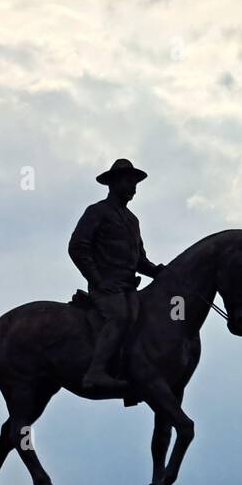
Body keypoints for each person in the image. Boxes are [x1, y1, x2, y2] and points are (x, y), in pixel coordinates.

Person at [68, 159, 165, 394]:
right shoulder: (97, 212)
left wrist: (157, 271)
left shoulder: (132, 220)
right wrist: (99, 281)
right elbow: (77, 247)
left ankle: (134, 374)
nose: (132, 187)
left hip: (128, 287)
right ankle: (96, 372)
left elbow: (139, 259)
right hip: (106, 288)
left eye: (134, 182)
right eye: (127, 181)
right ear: (112, 184)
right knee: (119, 317)